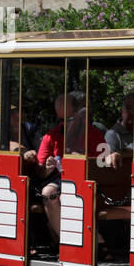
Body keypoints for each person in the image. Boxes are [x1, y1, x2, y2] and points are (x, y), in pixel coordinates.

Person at [38, 92, 105, 242]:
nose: (65, 124)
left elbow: (102, 164)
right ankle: (72, 241)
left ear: (78, 113)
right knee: (48, 192)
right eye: (61, 119)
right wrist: (46, 168)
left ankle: (89, 241)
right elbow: (40, 171)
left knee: (67, 196)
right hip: (61, 180)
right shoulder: (51, 135)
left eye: (68, 119)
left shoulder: (93, 133)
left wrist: (84, 160)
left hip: (87, 181)